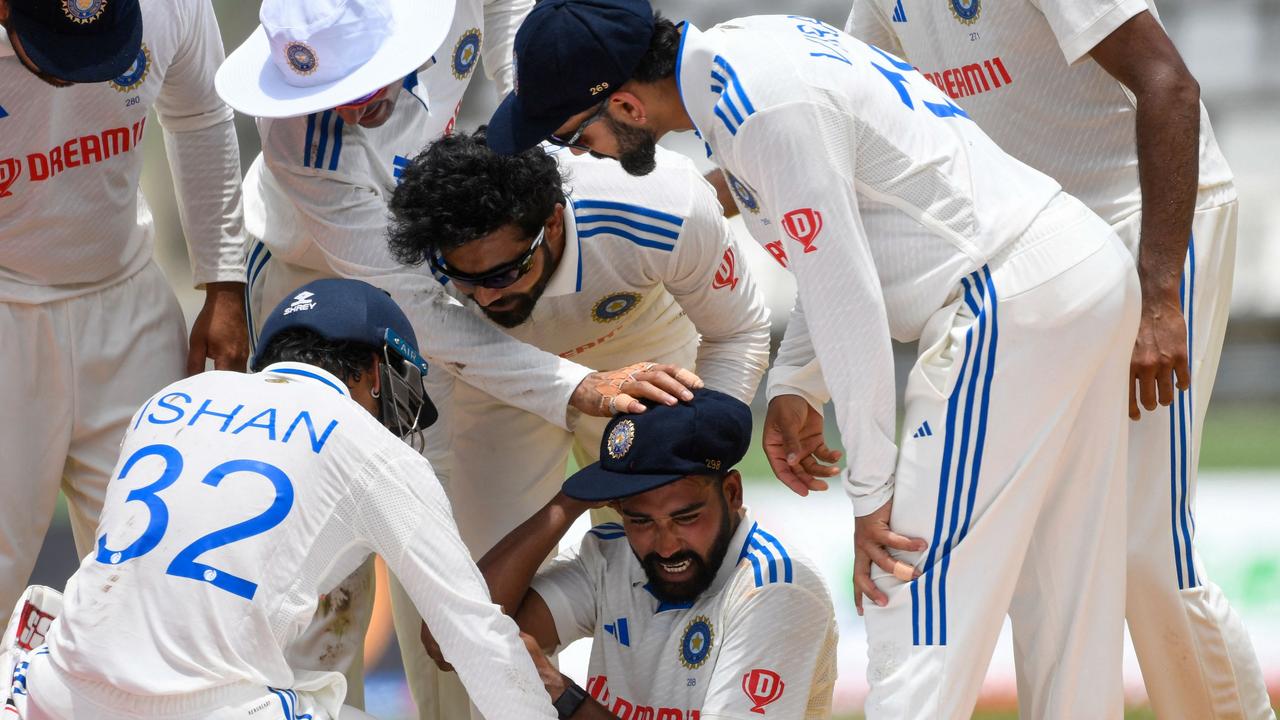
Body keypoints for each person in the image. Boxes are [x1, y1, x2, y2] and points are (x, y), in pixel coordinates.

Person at [487, 2, 1145, 717]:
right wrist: (798, 381)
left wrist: (872, 493)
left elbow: (849, 293)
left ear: (623, 103)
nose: (585, 155)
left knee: (906, 587)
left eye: (578, 135)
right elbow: (836, 248)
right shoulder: (747, 56)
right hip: (1069, 270)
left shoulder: (759, 112)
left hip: (1009, 295)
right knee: (1066, 589)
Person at [215, 1, 710, 714]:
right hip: (317, 280)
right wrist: (576, 386)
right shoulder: (305, 147)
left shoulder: (445, 9)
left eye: (362, 80)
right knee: (325, 547)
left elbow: (513, 15)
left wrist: (529, 119)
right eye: (328, 93)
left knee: (440, 534)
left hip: (446, 247)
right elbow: (417, 312)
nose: (351, 106)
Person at [842, 2, 1268, 716]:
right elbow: (851, 105)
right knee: (1056, 552)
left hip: (1150, 221)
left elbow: (1171, 84)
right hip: (1043, 251)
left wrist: (1160, 294)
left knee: (1145, 552)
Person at [0, 278, 559, 720]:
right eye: (399, 394)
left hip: (55, 691)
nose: (396, 419)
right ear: (370, 369)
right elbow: (476, 638)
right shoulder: (373, 449)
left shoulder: (174, 397)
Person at [387, 129, 771, 715]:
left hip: (645, 343)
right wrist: (568, 495)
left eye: (505, 272)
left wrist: (698, 450)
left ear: (555, 222)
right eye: (465, 279)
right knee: (467, 597)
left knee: (681, 527)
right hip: (494, 375)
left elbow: (740, 331)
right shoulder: (416, 261)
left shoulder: (658, 202)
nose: (487, 297)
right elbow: (452, 636)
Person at [0, 0, 248, 619]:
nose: (82, 77)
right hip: (5, 300)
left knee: (159, 586)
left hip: (125, 292)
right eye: (61, 57)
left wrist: (224, 283)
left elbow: (198, 114)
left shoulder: (169, 5)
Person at [433, 389, 838, 719]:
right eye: (641, 520)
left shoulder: (775, 586)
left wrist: (561, 695)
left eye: (686, 516)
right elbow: (447, 645)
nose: (665, 545)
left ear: (732, 493)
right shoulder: (611, 554)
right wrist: (567, 504)